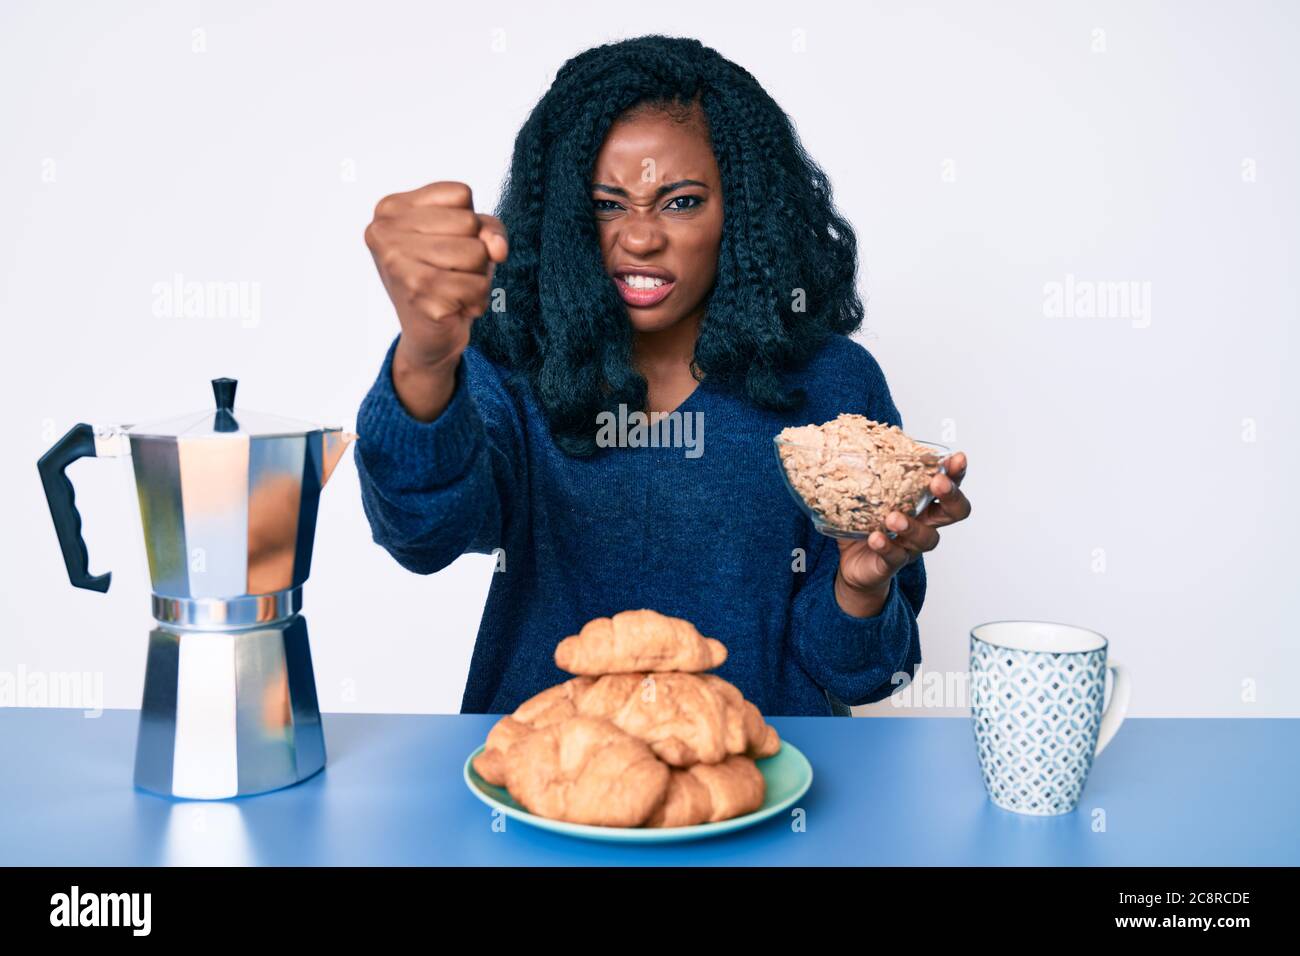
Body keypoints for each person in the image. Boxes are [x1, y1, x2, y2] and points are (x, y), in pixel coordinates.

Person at [355, 35, 971, 716]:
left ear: (741, 209)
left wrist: (860, 589)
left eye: (680, 201)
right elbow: (422, 535)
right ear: (563, 216)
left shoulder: (832, 385)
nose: (641, 237)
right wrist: (425, 354)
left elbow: (866, 677)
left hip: (759, 785)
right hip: (545, 788)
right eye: (606, 204)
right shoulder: (512, 368)